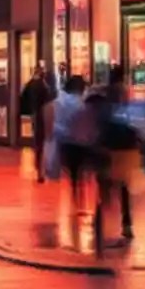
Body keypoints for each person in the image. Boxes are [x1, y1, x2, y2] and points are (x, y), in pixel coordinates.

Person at [98, 65, 140, 241]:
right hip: (124, 147)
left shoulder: (105, 96)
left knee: (106, 185)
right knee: (123, 187)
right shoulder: (126, 98)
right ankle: (126, 223)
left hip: (109, 146)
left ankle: (101, 221)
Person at [57, 75, 94, 208]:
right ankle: (80, 196)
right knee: (82, 170)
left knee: (73, 170)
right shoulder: (81, 104)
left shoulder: (61, 102)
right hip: (80, 142)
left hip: (67, 141)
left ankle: (75, 194)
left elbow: (58, 123)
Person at [20, 64, 54, 182]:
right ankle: (41, 169)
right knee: (43, 142)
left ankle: (39, 167)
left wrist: (27, 111)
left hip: (35, 114)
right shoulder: (43, 85)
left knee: (38, 142)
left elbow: (23, 98)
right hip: (42, 114)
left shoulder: (30, 84)